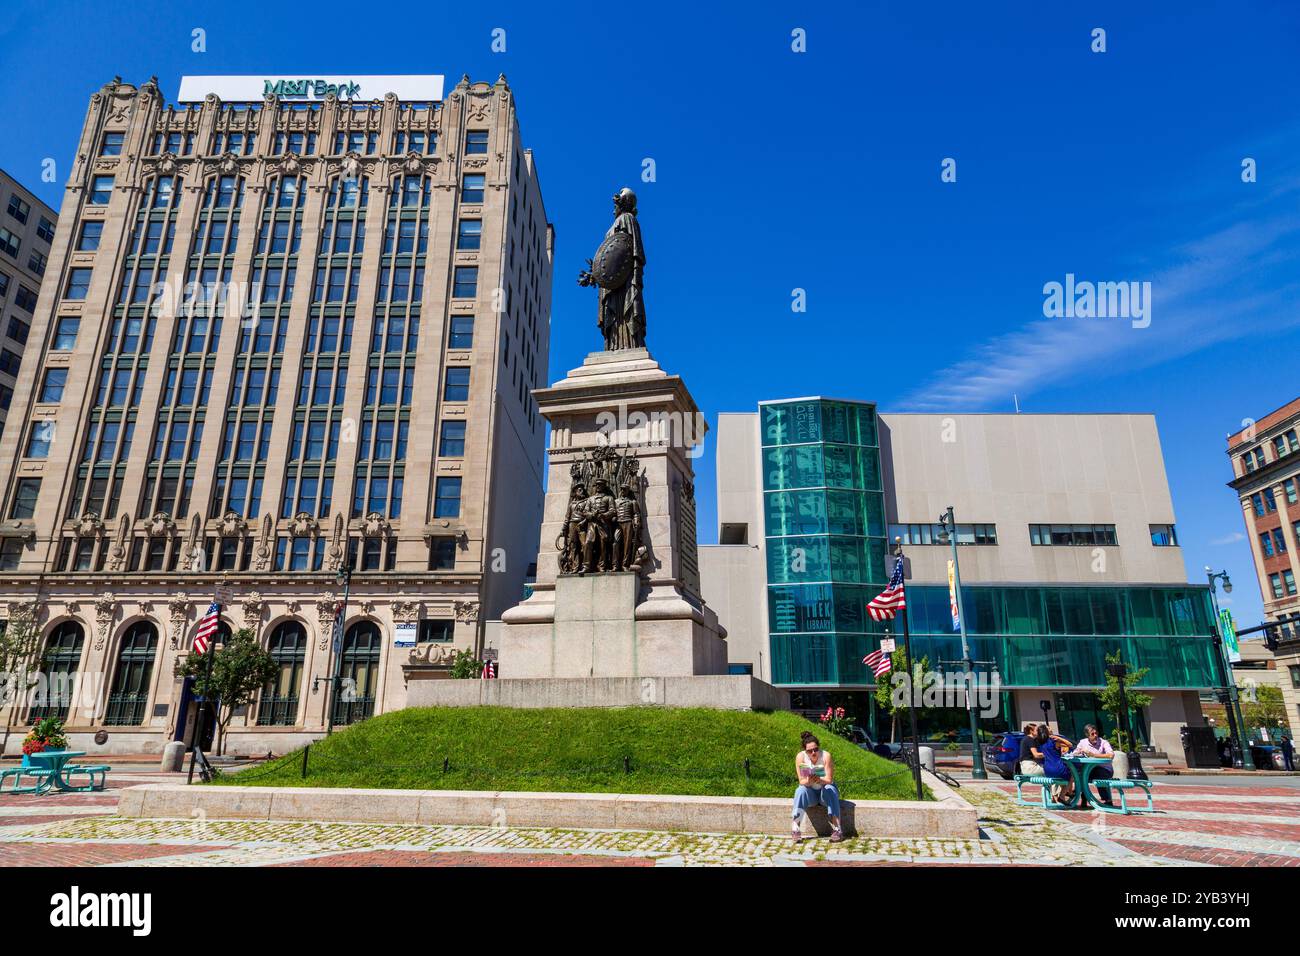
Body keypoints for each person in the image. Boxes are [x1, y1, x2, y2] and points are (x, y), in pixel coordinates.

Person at [792, 731, 843, 844]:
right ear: (805, 751)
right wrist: (809, 781)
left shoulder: (826, 756)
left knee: (829, 788)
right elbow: (801, 781)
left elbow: (829, 779)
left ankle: (838, 829)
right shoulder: (801, 757)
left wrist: (819, 780)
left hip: (824, 792)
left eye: (816, 749)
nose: (813, 753)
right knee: (800, 790)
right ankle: (795, 828)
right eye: (810, 751)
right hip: (810, 793)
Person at [1071, 723, 1115, 807]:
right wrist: (1079, 752)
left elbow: (1111, 755)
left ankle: (1107, 799)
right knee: (1081, 774)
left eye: (1096, 733)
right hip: (1090, 769)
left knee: (1094, 774)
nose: (1095, 735)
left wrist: (1094, 755)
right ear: (1087, 735)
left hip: (1105, 769)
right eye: (1092, 734)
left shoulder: (1103, 742)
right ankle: (1083, 797)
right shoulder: (1083, 742)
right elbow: (1075, 753)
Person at [1033, 724, 1075, 805]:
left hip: (1047, 770)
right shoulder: (1054, 741)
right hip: (1057, 768)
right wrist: (1059, 738)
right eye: (1048, 728)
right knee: (1071, 775)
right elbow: (1070, 745)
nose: (1050, 729)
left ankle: (1063, 795)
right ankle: (1063, 796)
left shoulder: (1041, 743)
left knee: (1064, 777)